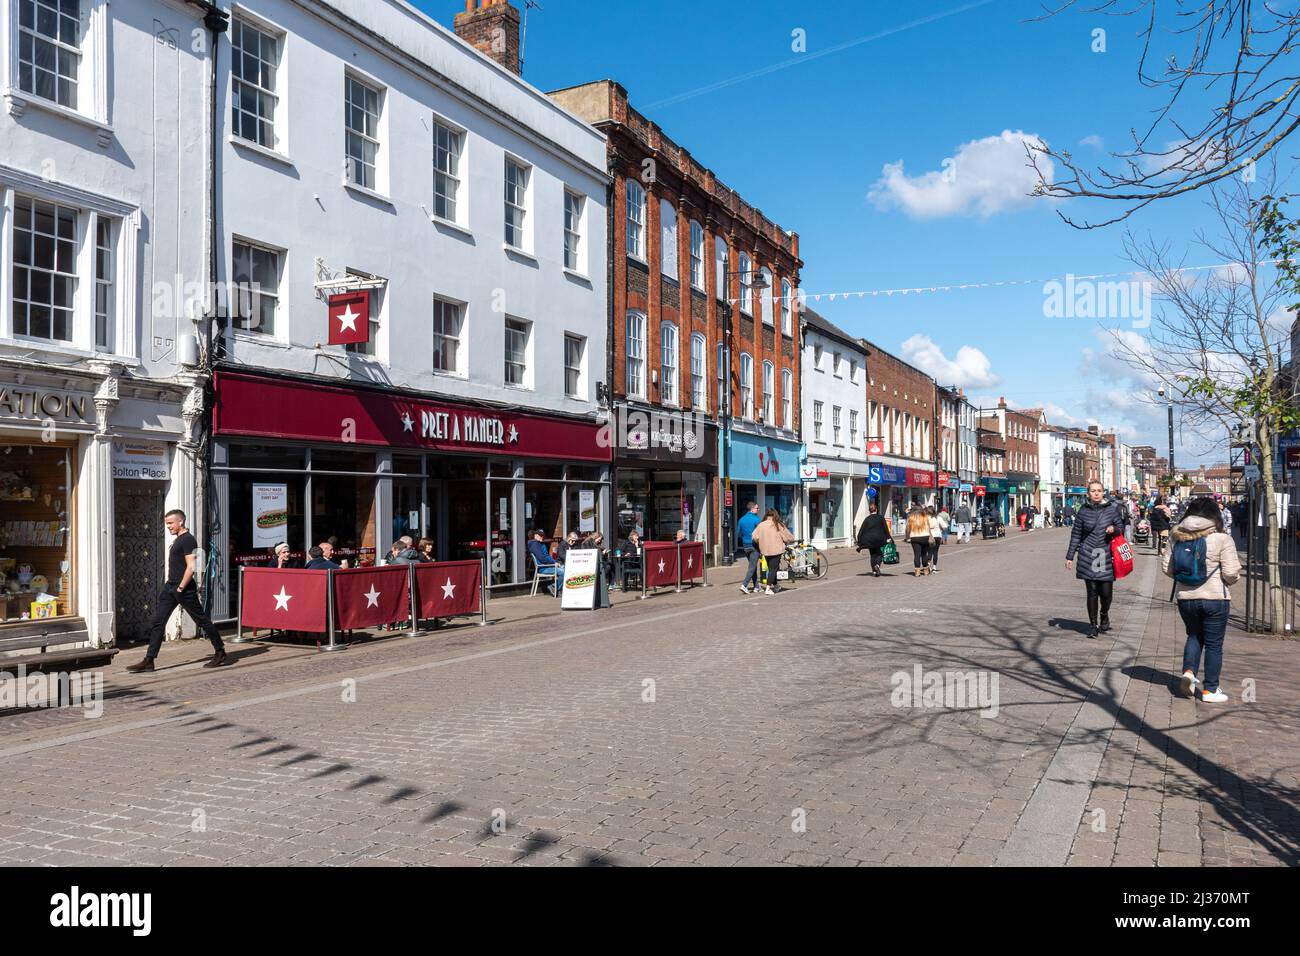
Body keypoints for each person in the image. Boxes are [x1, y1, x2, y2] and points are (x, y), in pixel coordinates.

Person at [127, 510, 229, 672]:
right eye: (167, 523)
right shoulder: (179, 540)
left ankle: (220, 651)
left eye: (170, 523)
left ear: (180, 522)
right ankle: (149, 660)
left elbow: (191, 566)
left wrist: (181, 587)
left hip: (183, 588)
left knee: (201, 620)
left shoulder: (188, 540)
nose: (168, 527)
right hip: (170, 587)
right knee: (158, 622)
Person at [1163, 496, 1241, 703]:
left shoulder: (1176, 535)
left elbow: (1167, 568)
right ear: (1215, 515)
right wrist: (1227, 581)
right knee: (1214, 645)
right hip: (1215, 598)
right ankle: (1210, 690)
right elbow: (1232, 572)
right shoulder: (1222, 538)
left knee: (1194, 636)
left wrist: (1186, 581)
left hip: (1186, 598)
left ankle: (1189, 673)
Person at [1065, 480, 1126, 638]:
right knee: (1092, 592)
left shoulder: (1111, 511)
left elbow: (1121, 529)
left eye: (1099, 490)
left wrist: (1114, 529)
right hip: (1088, 555)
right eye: (1093, 491)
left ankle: (1104, 613)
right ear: (1088, 494)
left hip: (1106, 555)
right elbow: (1076, 535)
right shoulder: (1083, 512)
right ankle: (1093, 625)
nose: (1097, 493)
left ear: (1103, 492)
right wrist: (1070, 556)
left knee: (1106, 593)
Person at [751, 508, 794, 595]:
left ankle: (776, 585)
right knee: (773, 569)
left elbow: (754, 537)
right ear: (775, 515)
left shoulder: (761, 525)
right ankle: (768, 588)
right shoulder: (778, 524)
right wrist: (790, 540)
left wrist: (761, 542)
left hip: (765, 550)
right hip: (776, 549)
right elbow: (787, 537)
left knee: (771, 568)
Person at [855, 501, 890, 576]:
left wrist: (859, 540)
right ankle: (877, 566)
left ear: (869, 511)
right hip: (880, 539)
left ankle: (874, 571)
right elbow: (885, 528)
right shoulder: (881, 517)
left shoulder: (867, 519)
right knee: (880, 553)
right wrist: (888, 537)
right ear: (876, 510)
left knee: (873, 555)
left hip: (870, 540)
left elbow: (862, 530)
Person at [737, 501, 762, 595]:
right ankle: (744, 585)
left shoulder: (741, 519)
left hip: (745, 545)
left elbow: (738, 533)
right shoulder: (756, 519)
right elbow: (760, 533)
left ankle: (756, 586)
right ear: (752, 509)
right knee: (752, 567)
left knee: (753, 565)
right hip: (754, 545)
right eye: (757, 508)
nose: (758, 509)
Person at [904, 506, 932, 577]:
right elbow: (928, 528)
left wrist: (907, 537)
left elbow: (907, 529)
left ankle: (917, 572)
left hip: (915, 537)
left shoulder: (911, 518)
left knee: (917, 554)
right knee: (924, 554)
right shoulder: (925, 517)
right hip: (925, 536)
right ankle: (926, 570)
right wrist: (930, 536)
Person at [926, 505, 943, 572]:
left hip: (929, 535)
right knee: (935, 551)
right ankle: (934, 567)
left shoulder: (926, 518)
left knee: (929, 551)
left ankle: (928, 564)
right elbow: (944, 526)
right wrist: (940, 529)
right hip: (937, 535)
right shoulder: (938, 518)